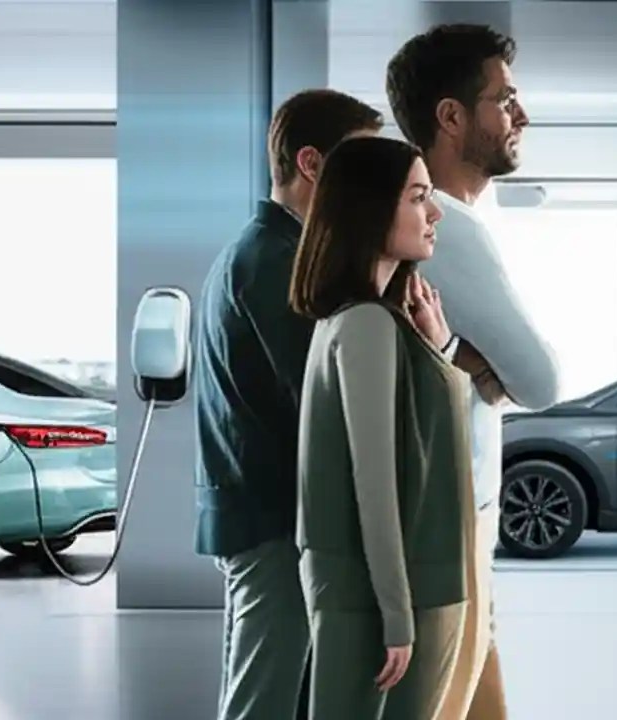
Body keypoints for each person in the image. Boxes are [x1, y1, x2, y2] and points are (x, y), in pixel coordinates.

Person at [387, 23, 562, 719]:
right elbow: (541, 380)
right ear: (452, 116)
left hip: (459, 527)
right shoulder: (449, 229)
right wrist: (477, 362)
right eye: (504, 99)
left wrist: (468, 356)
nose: (522, 115)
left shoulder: (439, 225)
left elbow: (514, 372)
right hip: (445, 534)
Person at [191, 89, 383, 720]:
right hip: (273, 520)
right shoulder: (274, 260)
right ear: (311, 164)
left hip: (262, 513)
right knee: (262, 700)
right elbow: (323, 395)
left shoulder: (258, 251)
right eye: (354, 164)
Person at [289, 135, 470, 720]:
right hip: (397, 594)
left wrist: (440, 347)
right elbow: (375, 482)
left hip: (391, 588)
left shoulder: (358, 319)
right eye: (418, 196)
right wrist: (397, 614)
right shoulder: (367, 324)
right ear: (370, 207)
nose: (435, 211)